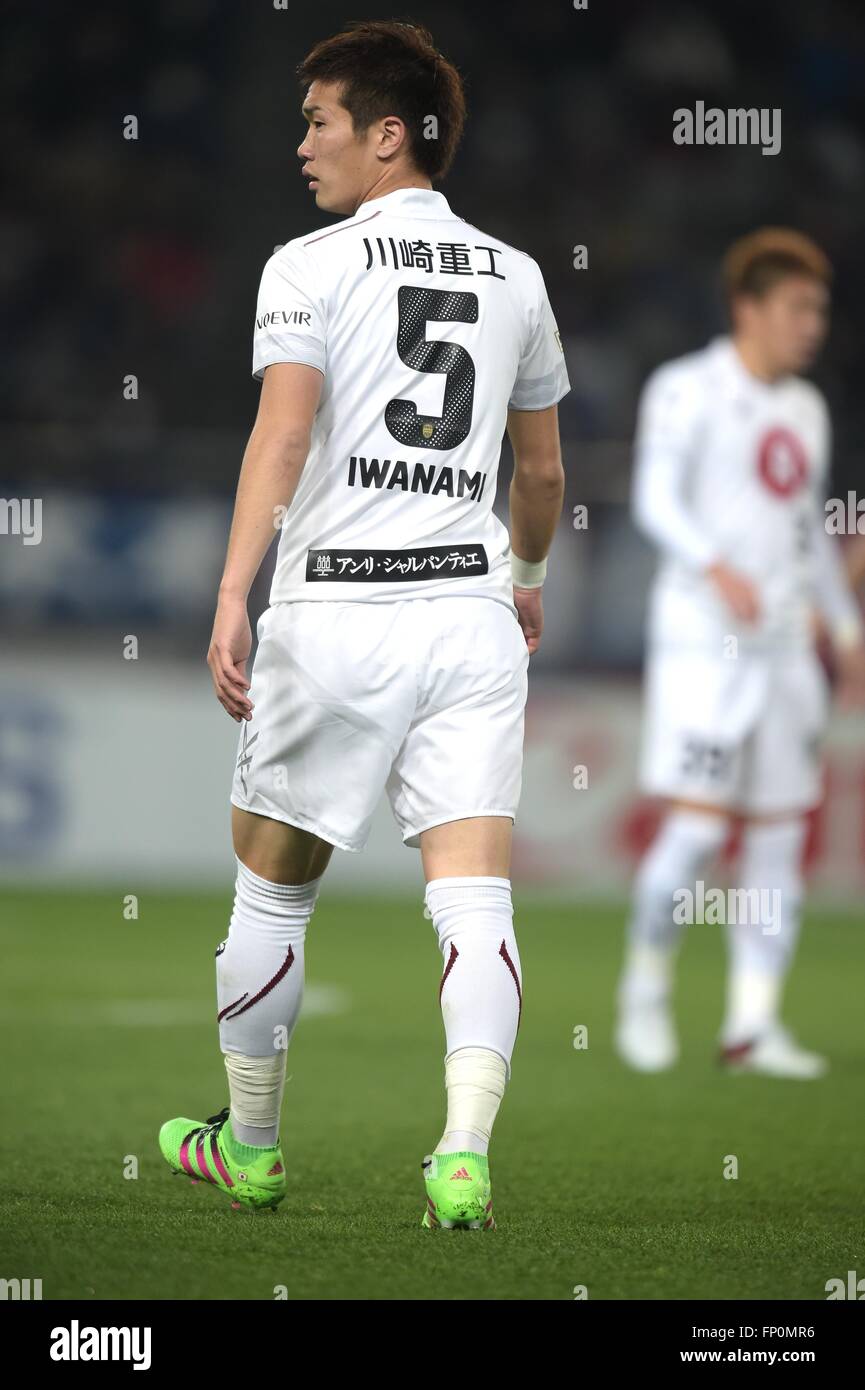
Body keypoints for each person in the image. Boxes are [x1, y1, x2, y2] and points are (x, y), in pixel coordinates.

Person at [158, 20, 569, 1227]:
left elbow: (281, 436)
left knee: (275, 896)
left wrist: (233, 588)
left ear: (389, 136)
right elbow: (538, 474)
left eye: (321, 122)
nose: (301, 147)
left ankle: (255, 1146)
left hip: (337, 603)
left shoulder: (306, 265)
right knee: (474, 896)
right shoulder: (522, 274)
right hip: (471, 608)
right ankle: (463, 1152)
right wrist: (529, 573)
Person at [616, 228, 865, 1078]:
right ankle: (644, 993)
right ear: (747, 307)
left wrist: (846, 628)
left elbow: (806, 535)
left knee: (775, 839)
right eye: (798, 307)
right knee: (692, 832)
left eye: (820, 310)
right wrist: (715, 566)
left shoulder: (805, 408)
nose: (812, 325)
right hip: (702, 643)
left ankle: (751, 1026)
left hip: (785, 650)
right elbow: (653, 500)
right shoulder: (686, 390)